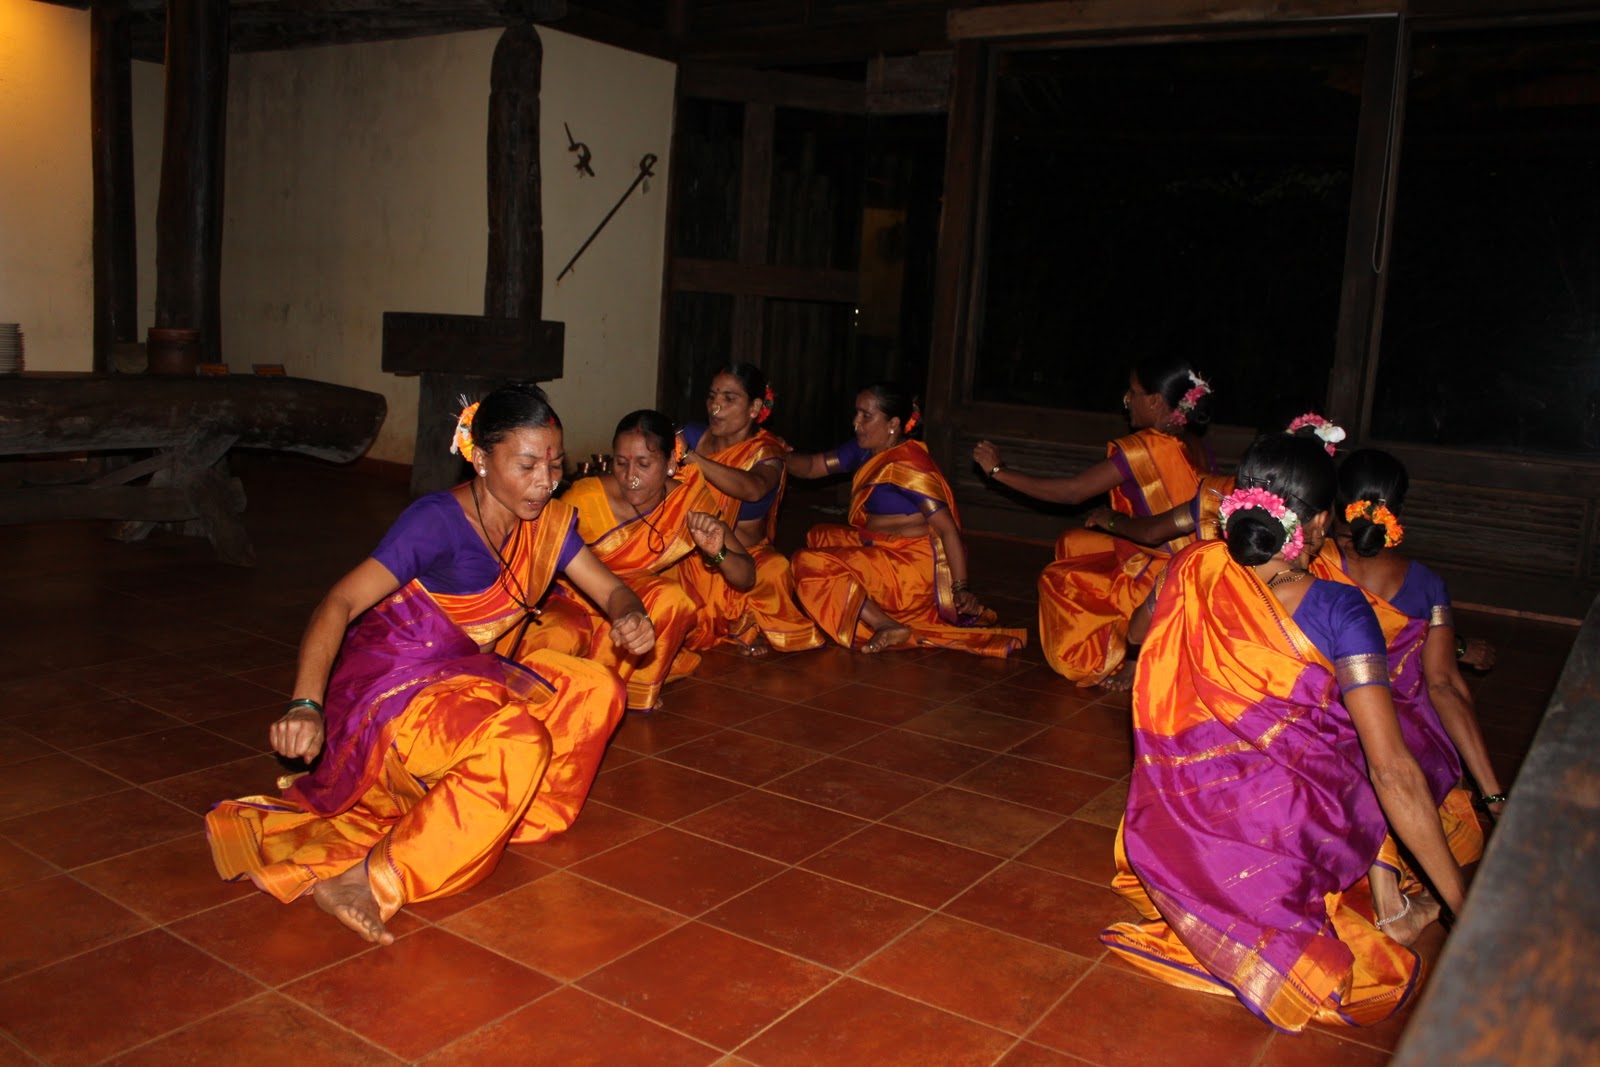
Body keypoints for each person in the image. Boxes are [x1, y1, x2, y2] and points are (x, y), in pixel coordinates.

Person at [206, 384, 650, 945]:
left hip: (462, 681)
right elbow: (337, 604)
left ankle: (508, 813)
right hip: (395, 692)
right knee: (519, 741)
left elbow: (610, 591)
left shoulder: (544, 524)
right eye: (528, 464)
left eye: (555, 465)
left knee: (596, 687)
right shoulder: (435, 522)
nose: (545, 480)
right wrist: (305, 703)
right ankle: (369, 877)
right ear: (481, 458)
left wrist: (630, 613)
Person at [1101, 432, 1477, 1032]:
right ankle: (1393, 904)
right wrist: (1467, 910)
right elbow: (1393, 773)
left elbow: (1141, 633)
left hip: (1184, 822)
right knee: (1378, 753)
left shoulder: (1195, 566)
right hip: (1283, 829)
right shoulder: (1339, 606)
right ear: (1323, 522)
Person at [973, 357, 1214, 688]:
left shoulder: (1145, 449)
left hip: (1164, 568)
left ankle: (1125, 651)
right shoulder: (1192, 442)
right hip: (1186, 556)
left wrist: (998, 472)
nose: (1126, 399)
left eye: (1134, 392)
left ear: (1156, 401)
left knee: (1057, 579)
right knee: (1074, 542)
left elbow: (1072, 493)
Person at [1316, 448, 1509, 819]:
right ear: (1398, 511)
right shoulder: (1428, 585)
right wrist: (1493, 795)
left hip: (1324, 734)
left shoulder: (1307, 563)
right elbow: (1444, 686)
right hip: (1404, 746)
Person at [524, 409, 752, 711]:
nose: (630, 477)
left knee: (671, 598)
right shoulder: (585, 498)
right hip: (576, 604)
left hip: (636, 611)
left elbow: (747, 576)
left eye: (644, 464)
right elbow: (534, 561)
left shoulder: (688, 502)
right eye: (621, 463)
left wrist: (717, 552)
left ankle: (633, 687)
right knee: (552, 644)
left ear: (671, 463)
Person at [787, 382, 1025, 657]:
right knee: (819, 536)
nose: (856, 422)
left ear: (894, 424)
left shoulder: (909, 467)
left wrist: (961, 588)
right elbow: (812, 467)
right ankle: (868, 604)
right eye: (857, 413)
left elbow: (947, 530)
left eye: (866, 416)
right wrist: (775, 452)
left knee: (806, 562)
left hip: (908, 570)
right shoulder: (865, 450)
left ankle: (885, 623)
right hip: (881, 549)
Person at [676, 364, 824, 656]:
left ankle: (747, 623)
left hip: (743, 559)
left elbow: (753, 488)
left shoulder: (767, 452)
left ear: (755, 407)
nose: (715, 406)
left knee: (775, 569)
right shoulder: (691, 434)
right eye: (712, 396)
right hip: (692, 554)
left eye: (729, 398)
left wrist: (694, 460)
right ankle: (743, 625)